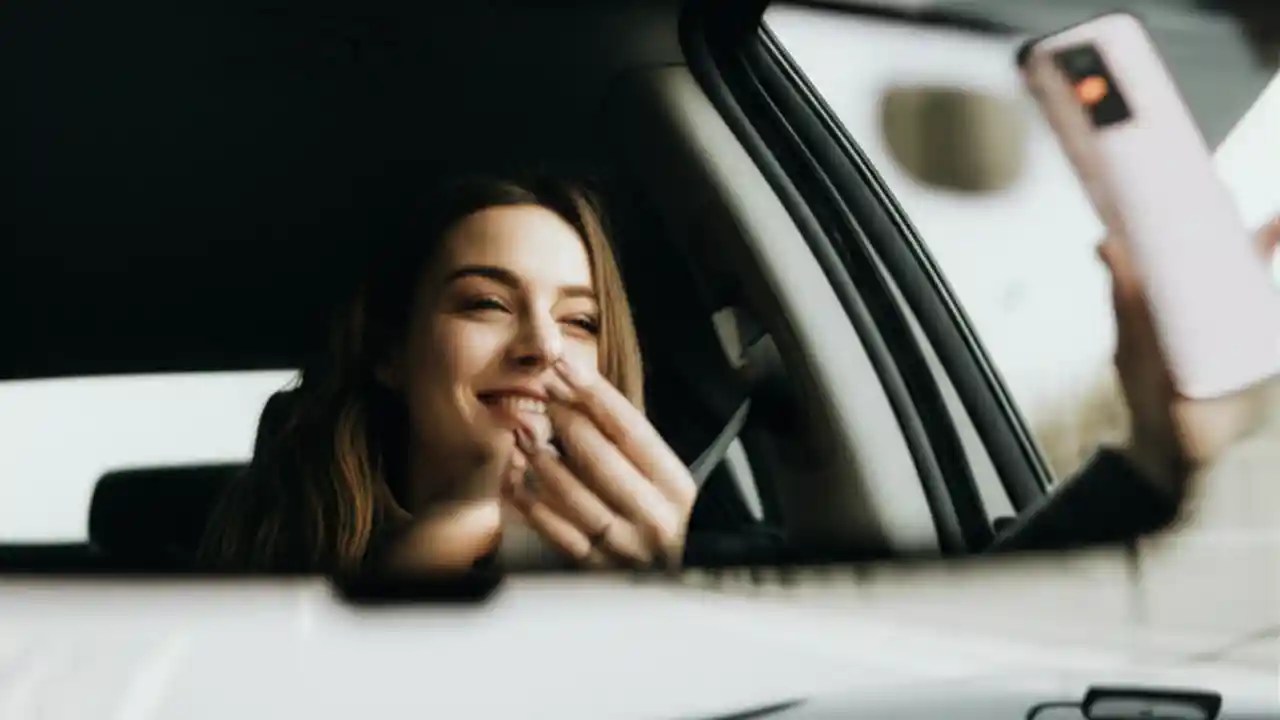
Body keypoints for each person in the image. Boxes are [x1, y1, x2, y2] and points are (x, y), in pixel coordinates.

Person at [199, 172, 1279, 574]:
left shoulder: (708, 570)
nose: (539, 347)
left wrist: (1153, 454)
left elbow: (932, 667)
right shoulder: (246, 567)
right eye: (485, 303)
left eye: (578, 323)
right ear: (388, 353)